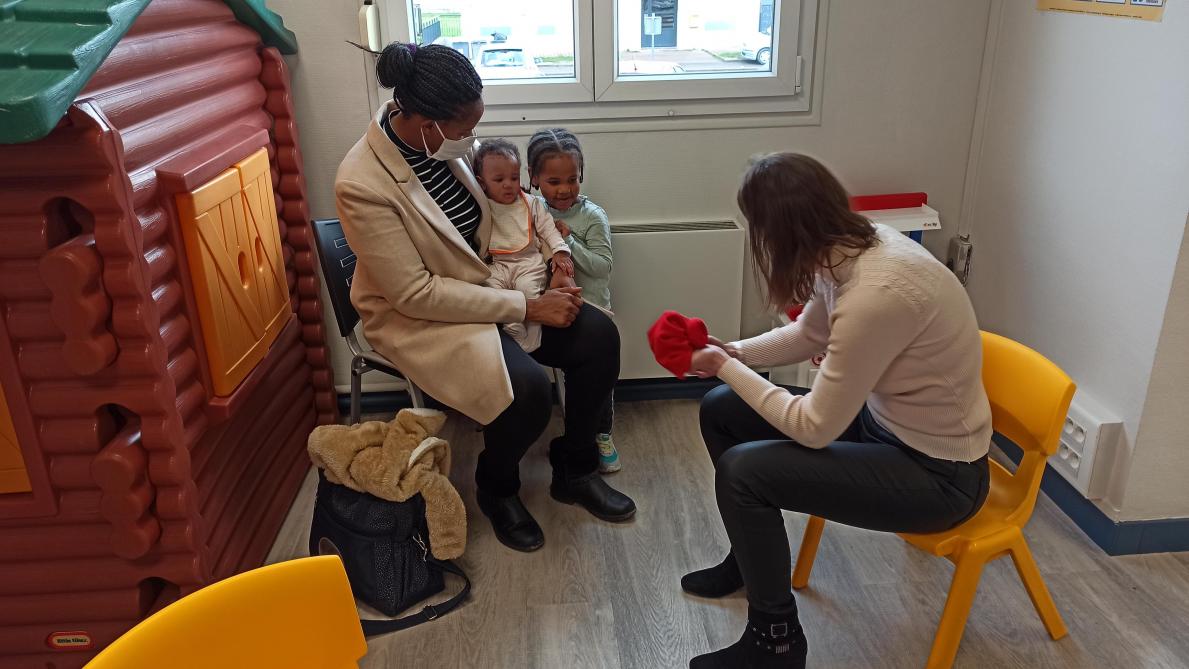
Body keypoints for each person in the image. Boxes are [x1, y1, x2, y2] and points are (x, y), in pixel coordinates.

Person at [681, 153, 992, 669]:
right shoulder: (848, 248)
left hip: (940, 477)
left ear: (779, 233)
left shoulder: (878, 290)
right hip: (886, 430)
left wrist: (721, 365)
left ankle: (775, 641)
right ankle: (750, 559)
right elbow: (810, 334)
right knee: (723, 408)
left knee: (743, 473)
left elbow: (814, 427)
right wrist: (733, 355)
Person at [335, 42, 636, 555]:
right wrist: (526, 307)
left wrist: (553, 270)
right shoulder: (362, 183)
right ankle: (497, 489)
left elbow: (502, 224)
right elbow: (415, 293)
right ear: (426, 120)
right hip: (422, 315)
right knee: (528, 393)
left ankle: (575, 468)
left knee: (599, 337)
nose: (472, 140)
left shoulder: (438, 145)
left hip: (488, 286)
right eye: (465, 128)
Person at [526, 128, 622, 473]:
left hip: (591, 310)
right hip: (546, 310)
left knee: (598, 377)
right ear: (534, 178)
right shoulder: (527, 210)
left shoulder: (592, 216)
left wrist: (569, 242)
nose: (564, 189)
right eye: (553, 181)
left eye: (572, 179)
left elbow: (603, 267)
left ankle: (602, 433)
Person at [472, 138, 574, 353]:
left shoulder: (531, 203)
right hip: (496, 264)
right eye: (499, 179)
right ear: (481, 182)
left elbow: (548, 229)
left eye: (514, 177)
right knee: (493, 294)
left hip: (528, 263)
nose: (508, 184)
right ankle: (514, 328)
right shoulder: (480, 204)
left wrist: (561, 252)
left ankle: (532, 342)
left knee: (529, 293)